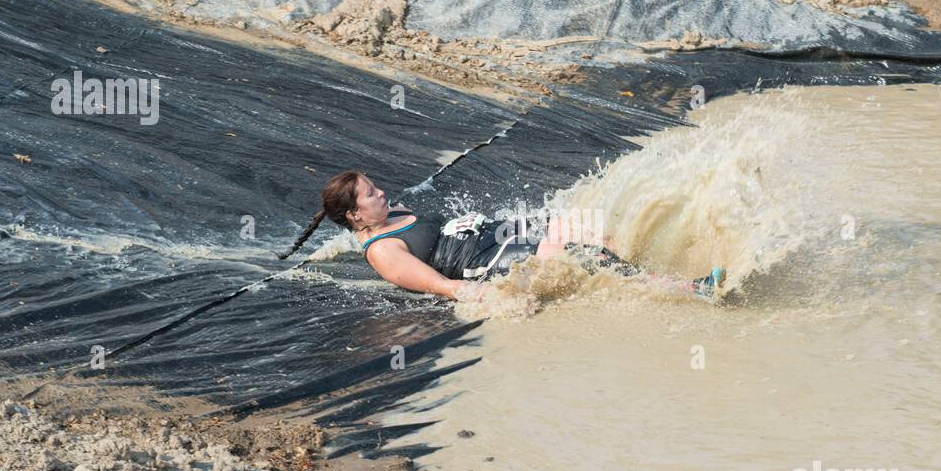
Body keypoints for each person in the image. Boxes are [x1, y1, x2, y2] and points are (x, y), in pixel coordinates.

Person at [278, 170, 725, 301]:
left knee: (590, 230)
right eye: (372, 194)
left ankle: (651, 275)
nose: (383, 193)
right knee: (585, 256)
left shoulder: (389, 215)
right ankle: (689, 289)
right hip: (487, 263)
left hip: (498, 235)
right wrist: (500, 298)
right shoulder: (384, 253)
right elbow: (446, 287)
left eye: (376, 187)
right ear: (356, 216)